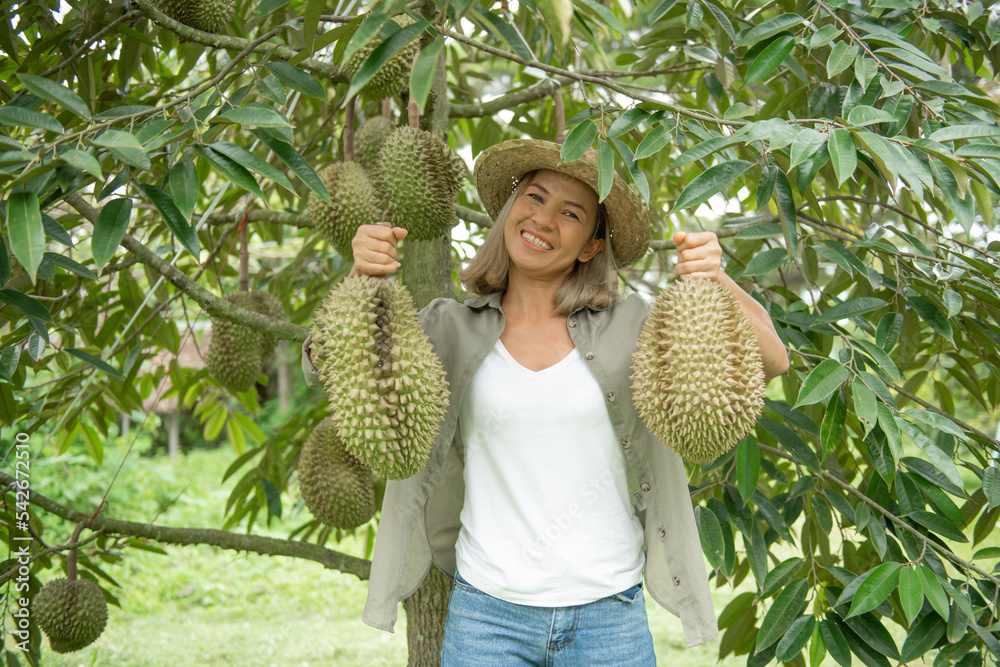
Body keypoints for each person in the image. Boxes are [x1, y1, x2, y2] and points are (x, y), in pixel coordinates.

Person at [303, 139, 789, 665]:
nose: (543, 219)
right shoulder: (448, 327)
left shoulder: (634, 326)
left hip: (608, 613)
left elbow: (772, 360)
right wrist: (363, 276)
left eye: (571, 212)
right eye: (533, 197)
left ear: (590, 247)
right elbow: (323, 365)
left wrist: (715, 279)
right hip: (487, 614)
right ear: (511, 211)